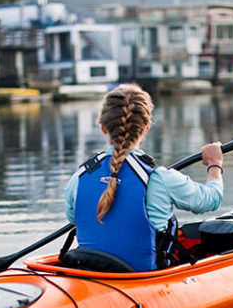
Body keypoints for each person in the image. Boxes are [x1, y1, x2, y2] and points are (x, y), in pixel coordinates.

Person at [64, 83, 224, 272]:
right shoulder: (160, 178)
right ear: (146, 128)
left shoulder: (80, 177)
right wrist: (215, 164)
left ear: (103, 128)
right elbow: (211, 200)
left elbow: (75, 219)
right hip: (142, 279)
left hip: (91, 275)